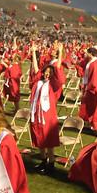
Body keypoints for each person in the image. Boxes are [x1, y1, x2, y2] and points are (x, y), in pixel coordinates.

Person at [28, 42, 65, 172]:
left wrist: (60, 52)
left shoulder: (53, 85)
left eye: (50, 72)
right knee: (39, 137)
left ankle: (51, 164)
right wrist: (33, 52)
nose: (47, 74)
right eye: (46, 72)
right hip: (36, 115)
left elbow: (59, 72)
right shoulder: (38, 83)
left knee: (48, 139)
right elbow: (37, 70)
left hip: (47, 116)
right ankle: (43, 161)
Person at [78, 47, 97, 124]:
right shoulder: (91, 62)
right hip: (88, 86)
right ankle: (85, 120)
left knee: (90, 106)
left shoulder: (94, 63)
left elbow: (94, 78)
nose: (86, 54)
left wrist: (89, 88)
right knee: (86, 105)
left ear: (91, 54)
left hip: (92, 88)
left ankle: (89, 121)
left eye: (87, 53)